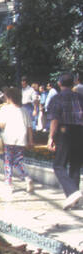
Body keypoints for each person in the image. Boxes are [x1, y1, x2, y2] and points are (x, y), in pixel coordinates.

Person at [47, 73, 83, 209]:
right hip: (80, 132)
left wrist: (51, 137)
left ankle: (72, 192)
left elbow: (54, 119)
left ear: (60, 84)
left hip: (64, 131)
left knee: (58, 165)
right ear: (73, 83)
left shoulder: (57, 98)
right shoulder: (80, 97)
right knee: (75, 165)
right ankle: (73, 199)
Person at [0, 86, 34, 200]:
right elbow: (29, 127)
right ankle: (26, 177)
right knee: (18, 160)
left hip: (9, 138)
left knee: (8, 161)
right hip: (21, 138)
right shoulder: (24, 110)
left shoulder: (4, 109)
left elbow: (1, 125)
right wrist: (31, 140)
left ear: (9, 97)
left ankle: (8, 183)